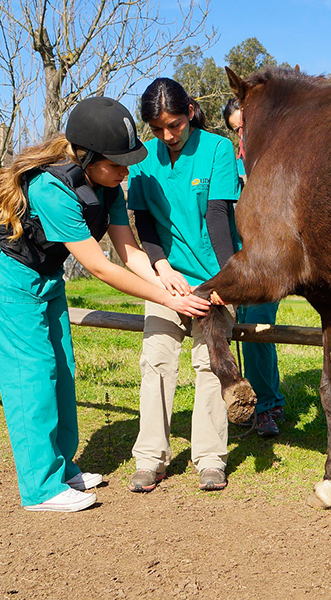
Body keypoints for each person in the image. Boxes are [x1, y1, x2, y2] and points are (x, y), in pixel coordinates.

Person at [0, 97, 211, 513]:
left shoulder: (108, 183)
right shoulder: (52, 188)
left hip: (44, 275)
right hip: (6, 276)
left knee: (62, 368)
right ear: (87, 157)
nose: (125, 171)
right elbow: (99, 268)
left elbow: (128, 250)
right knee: (32, 374)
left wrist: (166, 276)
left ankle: (61, 468)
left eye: (126, 162)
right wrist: (169, 299)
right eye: (116, 163)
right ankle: (40, 488)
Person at [126, 78, 241, 493]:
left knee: (209, 362)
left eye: (173, 125)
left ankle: (211, 458)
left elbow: (217, 219)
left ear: (190, 111)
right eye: (157, 129)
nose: (167, 136)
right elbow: (145, 224)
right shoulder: (142, 160)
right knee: (155, 358)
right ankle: (150, 458)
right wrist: (160, 269)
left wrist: (226, 280)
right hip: (166, 279)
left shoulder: (217, 149)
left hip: (215, 278)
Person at [222, 97, 286, 438]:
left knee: (255, 328)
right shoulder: (230, 164)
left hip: (267, 261)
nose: (242, 135)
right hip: (236, 258)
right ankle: (271, 400)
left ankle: (263, 407)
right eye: (237, 130)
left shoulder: (278, 161)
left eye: (245, 126)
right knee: (252, 331)